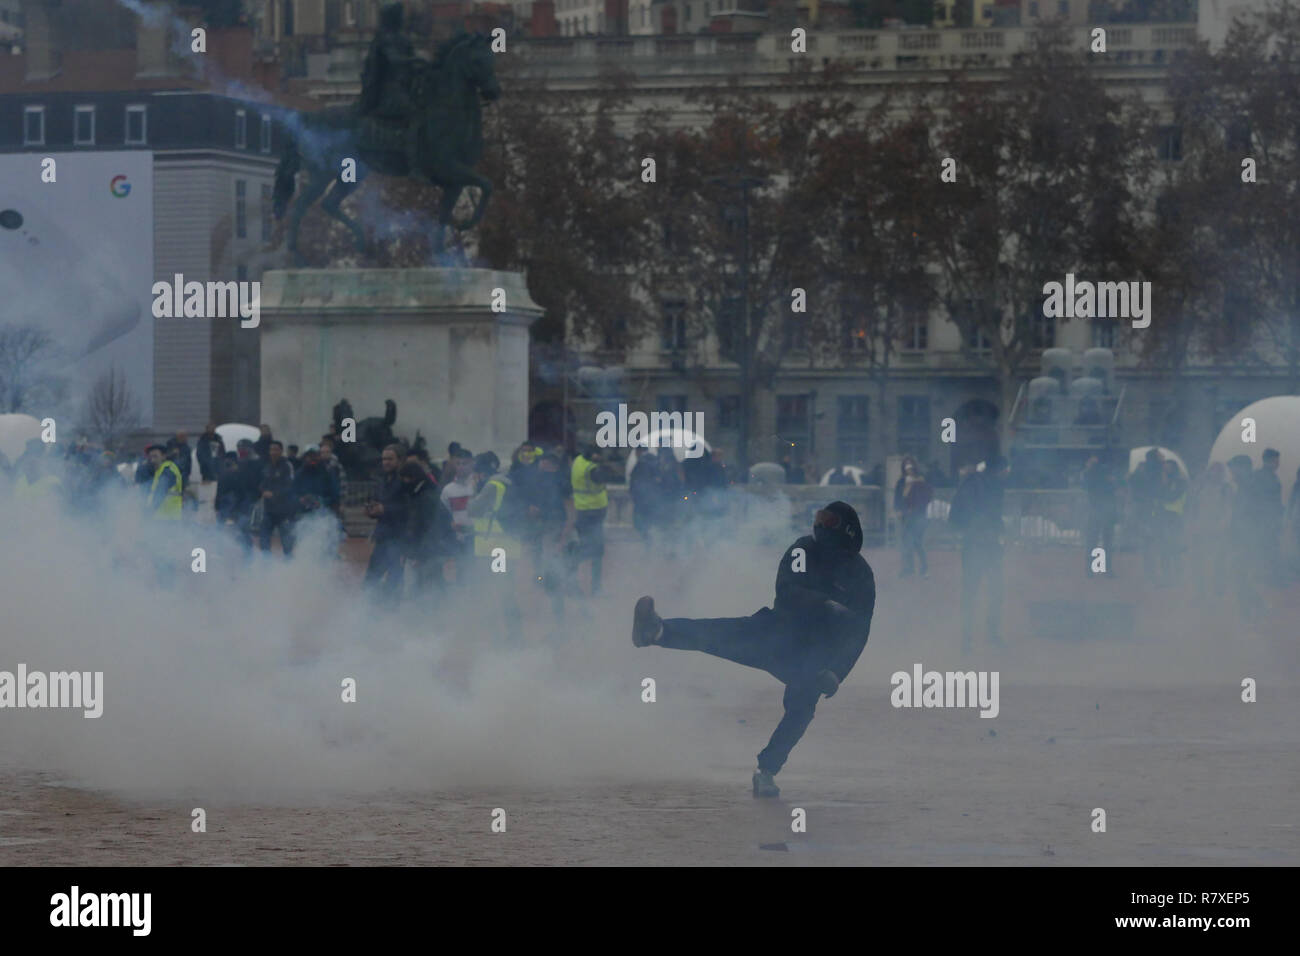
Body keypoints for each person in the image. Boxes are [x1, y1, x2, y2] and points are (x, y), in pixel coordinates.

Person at [631, 501, 875, 798]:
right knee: (717, 634)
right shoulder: (803, 550)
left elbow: (859, 632)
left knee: (800, 711)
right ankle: (656, 631)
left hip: (813, 658)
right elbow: (787, 589)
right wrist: (825, 604)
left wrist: (837, 672)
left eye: (830, 521)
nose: (821, 526)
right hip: (776, 633)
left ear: (847, 529)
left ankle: (767, 772)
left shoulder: (860, 575)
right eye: (819, 519)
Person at [949, 454, 1007, 652]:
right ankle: (983, 634)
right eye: (1005, 470)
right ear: (998, 470)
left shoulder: (974, 483)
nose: (1006, 473)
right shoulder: (984, 485)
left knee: (974, 591)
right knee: (991, 589)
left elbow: (955, 517)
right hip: (981, 543)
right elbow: (984, 514)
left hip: (977, 543)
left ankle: (969, 637)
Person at [467, 451, 525, 643]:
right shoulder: (507, 483)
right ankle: (510, 634)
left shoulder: (492, 486)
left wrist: (475, 491)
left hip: (497, 549)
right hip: (505, 547)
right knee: (502, 590)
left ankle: (508, 636)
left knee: (499, 590)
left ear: (481, 472)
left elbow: (474, 510)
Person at [570, 443, 619, 596]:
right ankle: (594, 588)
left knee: (588, 548)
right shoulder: (592, 468)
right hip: (591, 513)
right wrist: (604, 463)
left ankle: (571, 579)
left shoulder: (578, 461)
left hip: (583, 511)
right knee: (595, 551)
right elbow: (609, 475)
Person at [365, 443, 410, 597]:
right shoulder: (382, 480)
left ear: (400, 460)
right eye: (384, 459)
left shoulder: (406, 481)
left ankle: (392, 614)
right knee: (370, 579)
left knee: (395, 580)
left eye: (390, 459)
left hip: (399, 538)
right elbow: (377, 501)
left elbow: (409, 508)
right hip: (383, 537)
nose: (386, 462)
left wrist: (385, 509)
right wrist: (372, 510)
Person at [403, 460, 452, 597]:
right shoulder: (420, 494)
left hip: (427, 553)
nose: (404, 482)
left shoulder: (427, 497)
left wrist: (420, 554)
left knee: (426, 590)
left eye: (405, 478)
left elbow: (431, 528)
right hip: (421, 552)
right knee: (426, 588)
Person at [439, 447, 477, 583]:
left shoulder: (477, 486)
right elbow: (445, 515)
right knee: (462, 575)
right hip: (460, 540)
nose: (461, 467)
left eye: (464, 463)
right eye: (458, 464)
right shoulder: (448, 490)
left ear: (472, 464)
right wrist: (451, 525)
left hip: (479, 538)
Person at [894, 456, 933, 578]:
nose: (909, 469)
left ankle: (924, 569)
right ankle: (908, 568)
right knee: (906, 543)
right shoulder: (901, 481)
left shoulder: (921, 481)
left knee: (917, 542)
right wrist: (899, 510)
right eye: (906, 466)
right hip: (905, 516)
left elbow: (927, 497)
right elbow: (898, 497)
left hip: (918, 515)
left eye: (911, 466)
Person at [257, 440, 297, 556]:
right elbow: (262, 482)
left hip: (284, 510)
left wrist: (274, 494)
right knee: (264, 538)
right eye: (271, 450)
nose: (273, 452)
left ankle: (289, 565)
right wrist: (263, 490)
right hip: (268, 509)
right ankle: (266, 563)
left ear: (281, 451)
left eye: (275, 450)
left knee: (286, 540)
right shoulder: (267, 465)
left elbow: (290, 485)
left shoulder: (287, 465)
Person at [1082, 456, 1120, 576]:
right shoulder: (1107, 477)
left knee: (1093, 541)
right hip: (1104, 511)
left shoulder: (1090, 476)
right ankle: (1105, 569)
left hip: (1096, 510)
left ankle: (1092, 569)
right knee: (1106, 542)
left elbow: (1086, 486)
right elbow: (1114, 489)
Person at [1257, 448, 1284, 585]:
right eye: (1275, 460)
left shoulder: (1271, 477)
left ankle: (1270, 578)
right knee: (1265, 550)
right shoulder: (1263, 477)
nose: (1278, 463)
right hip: (1264, 522)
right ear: (1268, 461)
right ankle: (1267, 580)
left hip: (1270, 521)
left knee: (1270, 550)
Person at [143, 444, 183, 520]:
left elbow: (161, 491)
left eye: (155, 456)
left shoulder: (168, 470)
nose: (152, 460)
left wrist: (149, 511)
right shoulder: (159, 471)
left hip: (168, 519)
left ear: (163, 457)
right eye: (151, 457)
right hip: (162, 518)